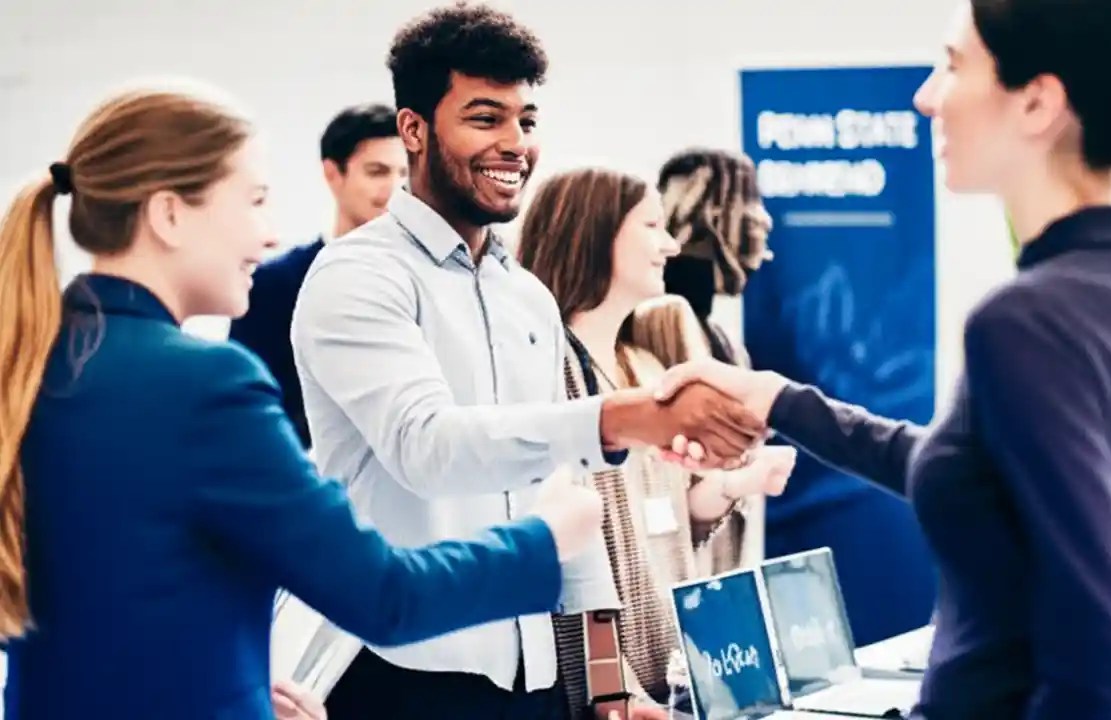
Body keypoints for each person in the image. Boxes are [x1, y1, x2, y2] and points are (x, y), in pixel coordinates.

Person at [657, 0, 1111, 718]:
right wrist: (776, 400)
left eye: (953, 66)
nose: (925, 97)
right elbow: (985, 480)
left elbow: (1098, 662)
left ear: (1037, 102)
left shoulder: (1028, 321)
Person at [0, 83, 608, 720]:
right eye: (255, 202)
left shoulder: (32, 364)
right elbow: (385, 596)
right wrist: (543, 539)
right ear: (168, 215)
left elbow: (120, 593)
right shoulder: (204, 386)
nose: (268, 237)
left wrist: (229, 669)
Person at [290, 6, 764, 720]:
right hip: (401, 673)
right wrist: (625, 416)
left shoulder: (526, 297)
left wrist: (609, 680)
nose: (515, 144)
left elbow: (565, 493)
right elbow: (429, 448)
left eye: (527, 121)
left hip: (534, 682)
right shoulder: (357, 276)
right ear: (414, 129)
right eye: (486, 119)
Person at [517, 167, 796, 718]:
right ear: (594, 233)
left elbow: (678, 516)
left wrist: (740, 482)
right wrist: (613, 684)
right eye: (651, 225)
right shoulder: (546, 378)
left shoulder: (645, 368)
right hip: (603, 688)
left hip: (667, 666)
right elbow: (564, 556)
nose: (670, 244)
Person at [229, 103, 406, 448]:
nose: (395, 188)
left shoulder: (429, 281)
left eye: (404, 173)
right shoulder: (273, 286)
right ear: (332, 174)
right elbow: (247, 409)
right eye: (377, 172)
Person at [657, 148, 774, 573]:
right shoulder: (670, 324)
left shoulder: (710, 331)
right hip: (686, 556)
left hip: (713, 549)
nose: (764, 221)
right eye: (751, 202)